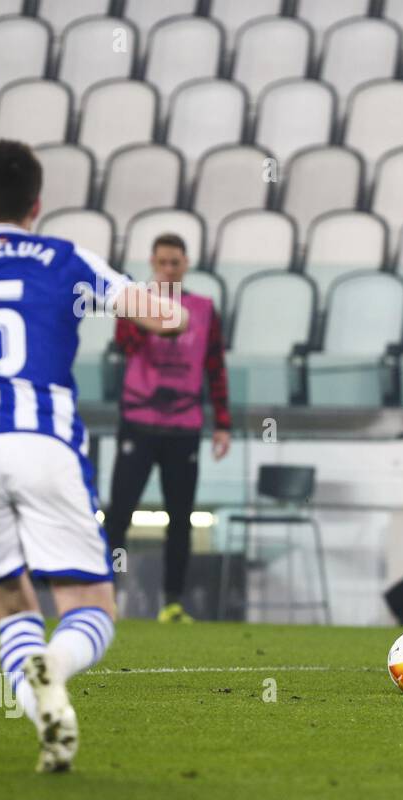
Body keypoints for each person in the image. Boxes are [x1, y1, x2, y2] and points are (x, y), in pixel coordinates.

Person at [0, 141, 186, 771]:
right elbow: (165, 319)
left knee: (10, 601)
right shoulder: (63, 260)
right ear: (36, 205)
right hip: (44, 443)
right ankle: (56, 665)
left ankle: (44, 707)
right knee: (91, 606)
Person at [104, 233, 231, 623]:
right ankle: (102, 597)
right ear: (152, 263)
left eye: (175, 263)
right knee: (119, 514)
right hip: (139, 424)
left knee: (181, 518)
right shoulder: (135, 303)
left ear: (186, 263)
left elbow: (214, 366)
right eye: (162, 263)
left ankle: (172, 602)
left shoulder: (204, 308)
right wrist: (154, 318)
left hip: (184, 427)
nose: (169, 269)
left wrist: (222, 424)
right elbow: (124, 345)